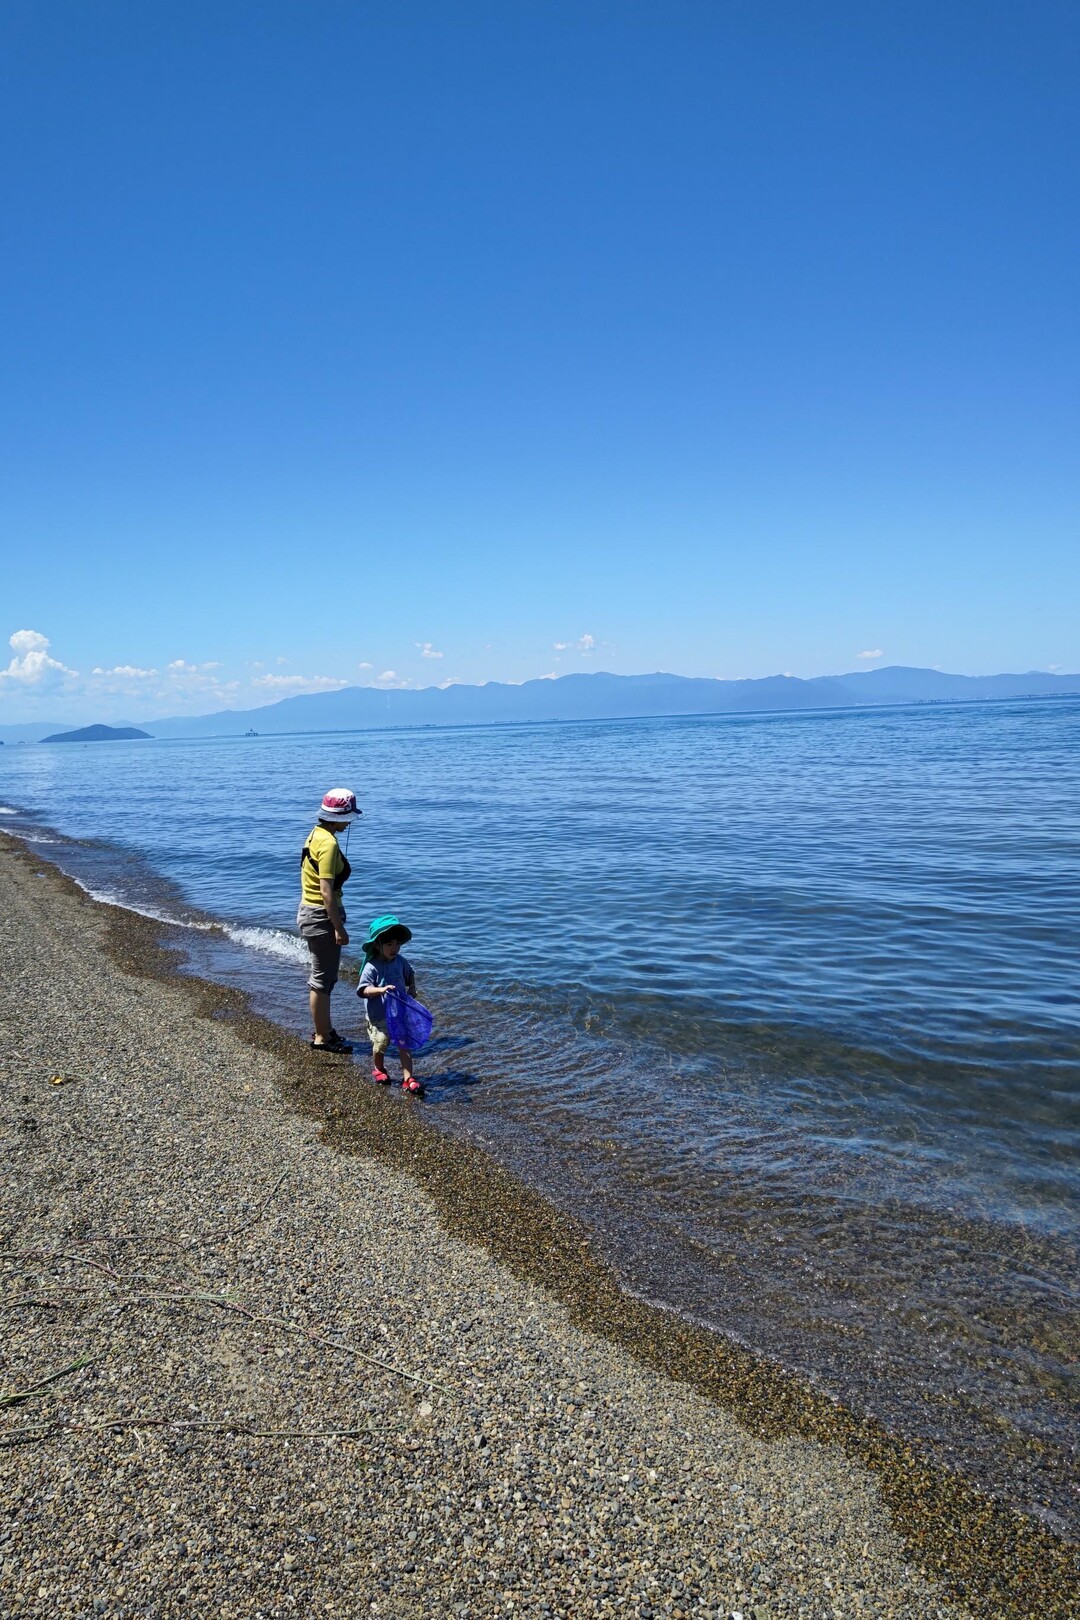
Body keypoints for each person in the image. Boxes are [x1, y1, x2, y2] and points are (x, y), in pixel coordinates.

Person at [297, 788, 360, 1052]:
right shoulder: (330, 844)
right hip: (321, 916)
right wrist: (339, 927)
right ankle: (322, 1037)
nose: (349, 823)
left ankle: (326, 1030)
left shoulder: (316, 834)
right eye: (348, 818)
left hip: (309, 911)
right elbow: (326, 891)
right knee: (322, 980)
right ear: (338, 817)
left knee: (323, 977)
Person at [357, 914, 423, 1093]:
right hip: (378, 1015)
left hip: (399, 1011)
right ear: (378, 945)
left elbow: (410, 975)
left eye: (397, 944)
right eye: (389, 945)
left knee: (404, 1044)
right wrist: (380, 989)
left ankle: (408, 1078)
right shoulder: (372, 967)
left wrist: (412, 989)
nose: (395, 949)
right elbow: (363, 990)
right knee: (381, 1043)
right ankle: (379, 1068)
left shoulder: (401, 962)